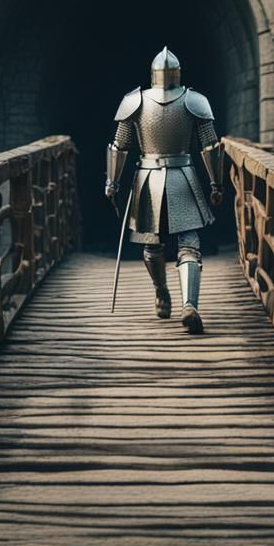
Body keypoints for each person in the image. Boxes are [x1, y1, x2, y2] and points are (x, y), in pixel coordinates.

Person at [105, 47, 223, 334]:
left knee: (154, 244)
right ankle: (180, 300)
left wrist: (112, 182)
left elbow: (119, 147)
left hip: (151, 178)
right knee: (186, 243)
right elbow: (210, 146)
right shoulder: (194, 101)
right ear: (177, 73)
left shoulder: (136, 101)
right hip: (182, 176)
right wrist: (216, 184)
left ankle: (169, 296)